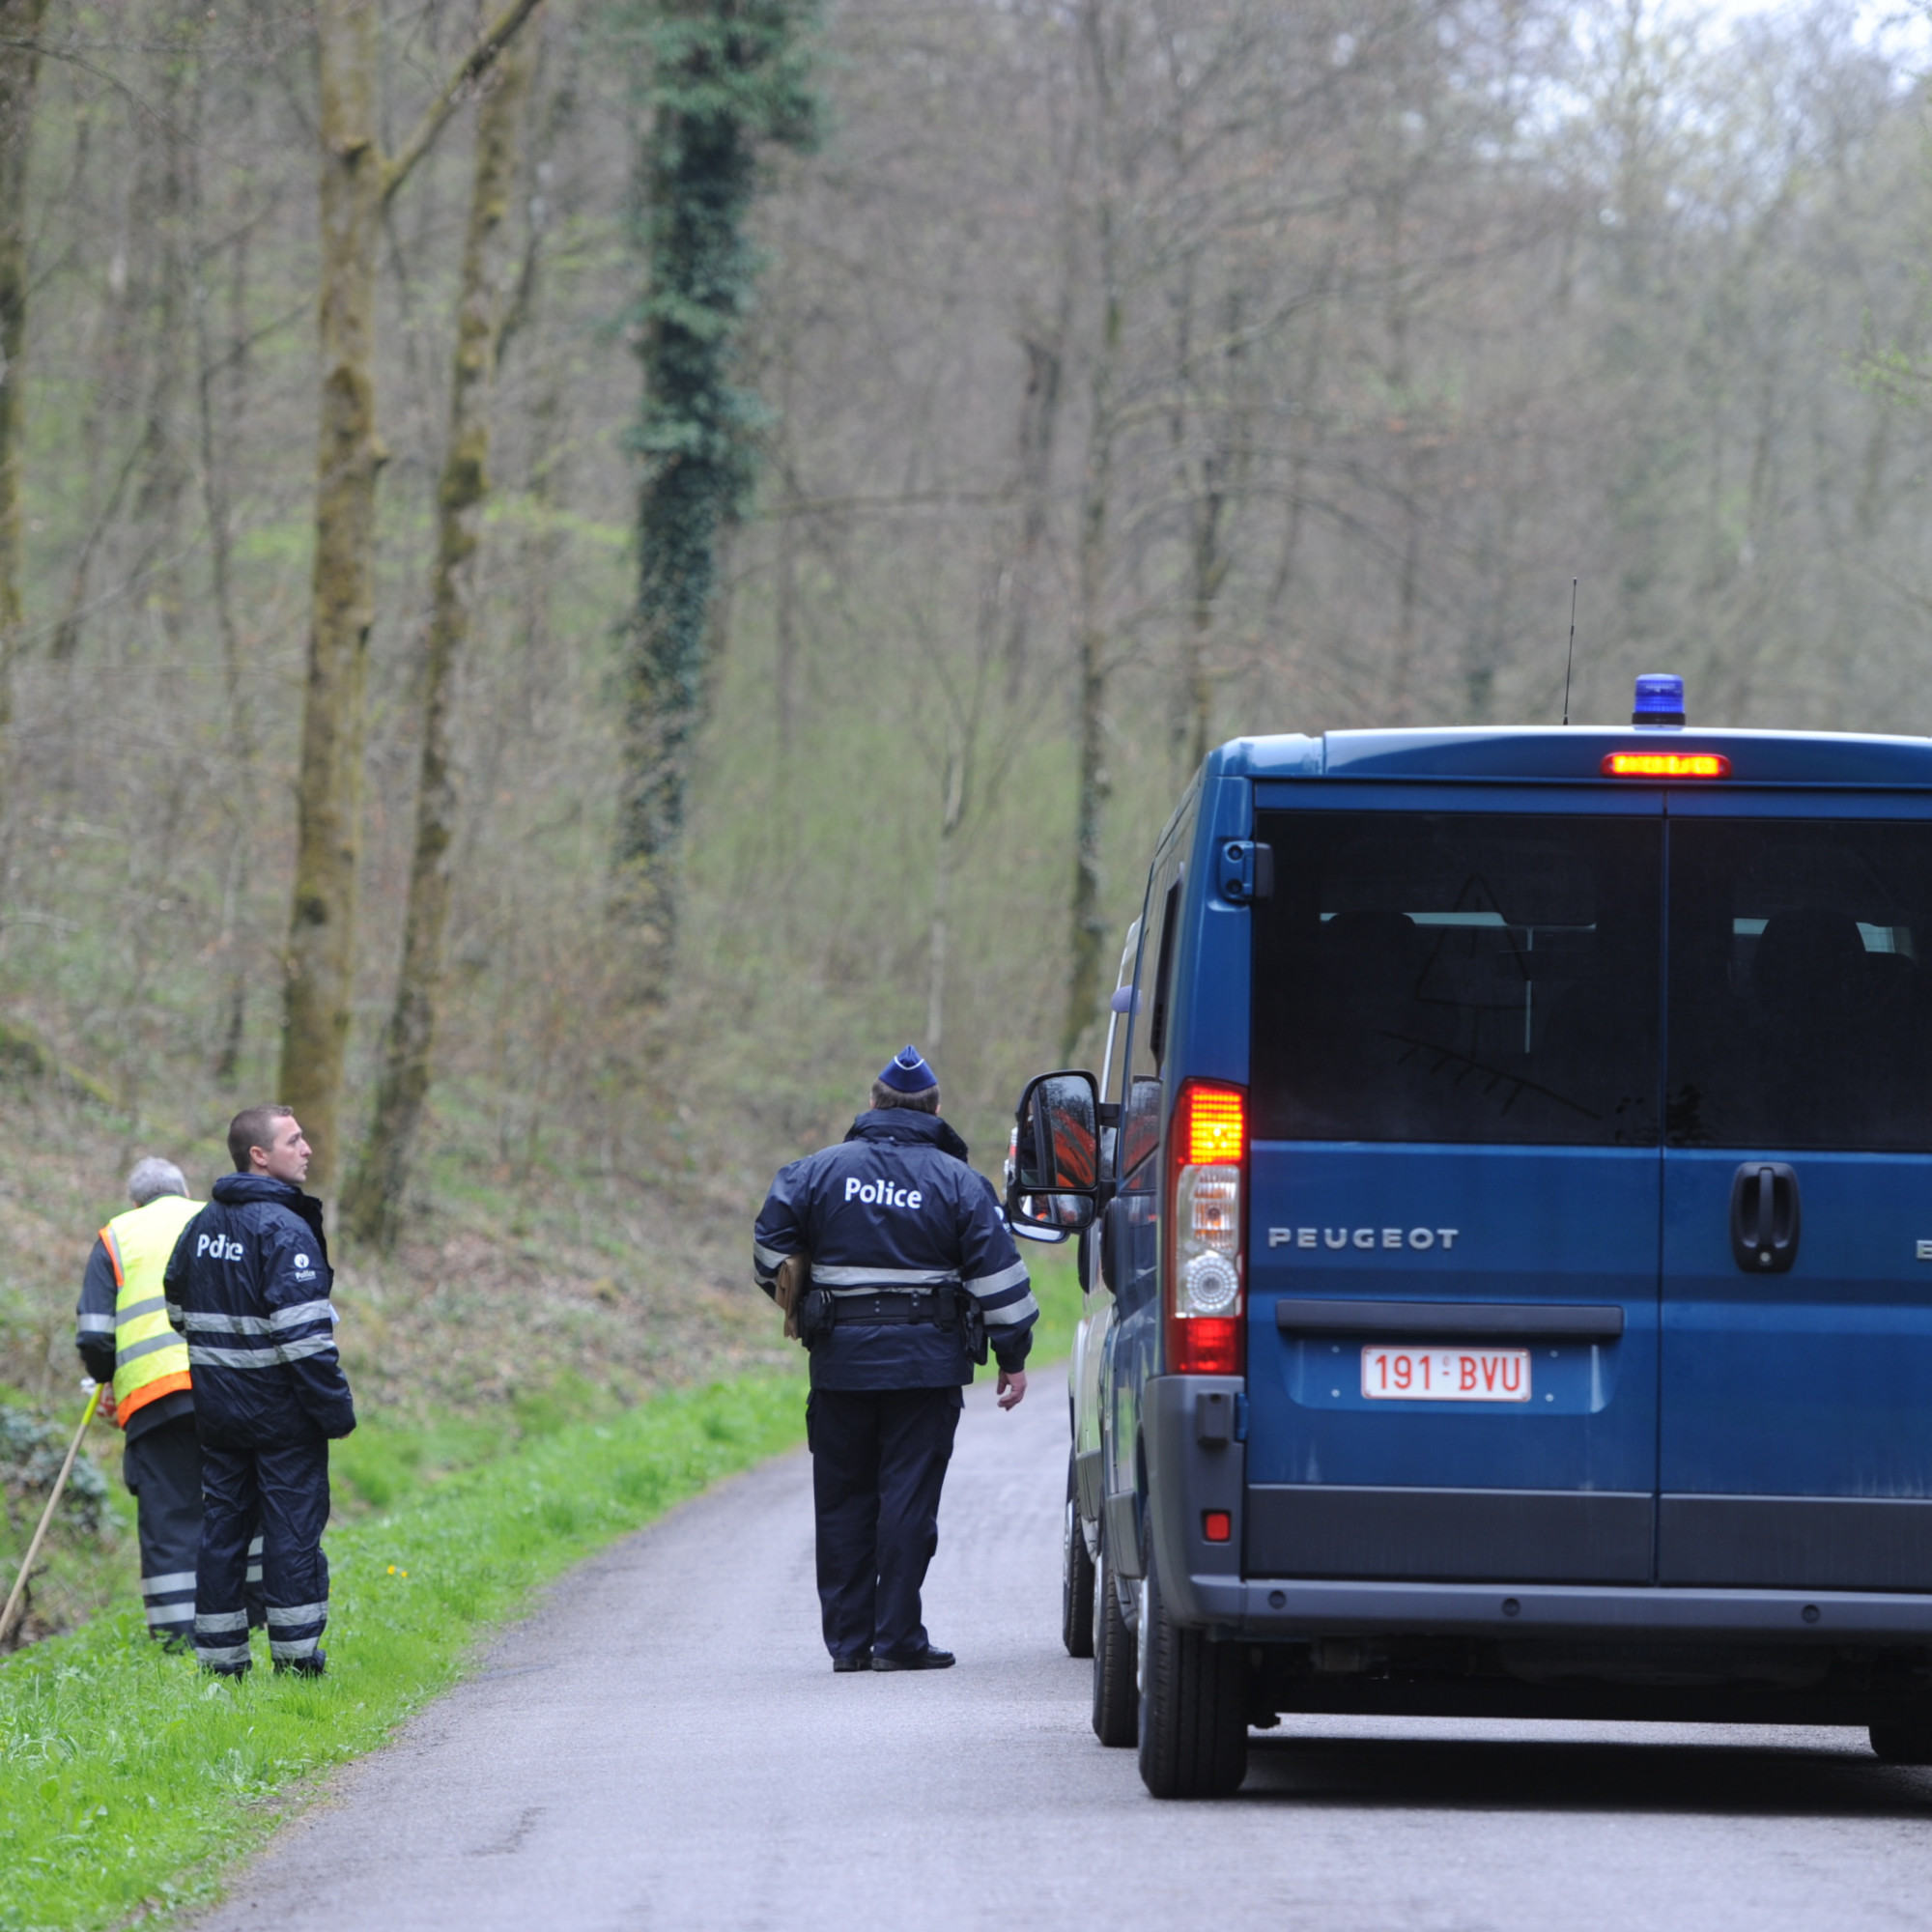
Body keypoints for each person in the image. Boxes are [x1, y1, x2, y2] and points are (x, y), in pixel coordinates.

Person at [753, 1046, 1038, 1673]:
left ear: (873, 1102)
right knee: (907, 1501)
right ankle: (897, 1639)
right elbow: (1002, 1282)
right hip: (925, 1369)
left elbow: (768, 1253)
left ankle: (850, 1645)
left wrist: (804, 1303)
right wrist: (1012, 1356)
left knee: (844, 1501)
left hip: (840, 1366)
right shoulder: (961, 1183)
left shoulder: (812, 1174)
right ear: (934, 1109)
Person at [165, 1106, 355, 1677]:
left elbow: (178, 1309)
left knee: (222, 1536)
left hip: (220, 1415)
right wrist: (335, 1410)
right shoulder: (282, 1228)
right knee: (291, 1535)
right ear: (259, 1155)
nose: (307, 1150)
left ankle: (222, 1667)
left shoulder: (201, 1226)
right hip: (282, 1418)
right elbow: (304, 1341)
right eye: (294, 1140)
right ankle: (298, 1666)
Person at [73, 1158, 266, 1645]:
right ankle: (260, 1619)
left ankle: (181, 1637)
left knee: (170, 1516)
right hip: (230, 1388)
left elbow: (95, 1335)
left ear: (136, 1201)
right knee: (243, 1500)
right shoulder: (220, 1220)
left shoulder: (117, 1236)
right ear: (184, 1191)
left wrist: (106, 1380)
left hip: (155, 1401)